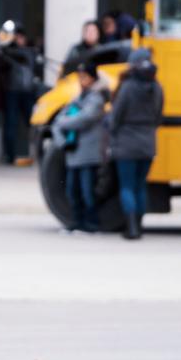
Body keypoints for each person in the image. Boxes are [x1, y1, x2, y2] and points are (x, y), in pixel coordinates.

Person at [107, 48, 164, 240]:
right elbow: (158, 116)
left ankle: (131, 227)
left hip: (126, 144)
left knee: (127, 186)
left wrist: (112, 131)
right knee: (140, 186)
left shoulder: (127, 87)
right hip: (148, 143)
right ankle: (139, 225)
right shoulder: (157, 87)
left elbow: (115, 117)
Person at [53, 62, 110, 233]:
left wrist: (63, 123)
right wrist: (62, 132)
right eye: (80, 77)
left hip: (89, 154)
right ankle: (76, 223)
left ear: (92, 79)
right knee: (72, 191)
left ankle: (91, 224)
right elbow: (60, 119)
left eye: (84, 77)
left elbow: (84, 119)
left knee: (88, 192)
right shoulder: (78, 98)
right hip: (74, 153)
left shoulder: (97, 99)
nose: (81, 80)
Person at [0, 24, 38, 165]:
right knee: (11, 124)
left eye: (21, 37)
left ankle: (35, 153)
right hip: (12, 91)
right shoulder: (6, 52)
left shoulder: (30, 52)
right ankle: (10, 155)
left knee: (32, 123)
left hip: (27, 92)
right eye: (16, 37)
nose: (19, 40)